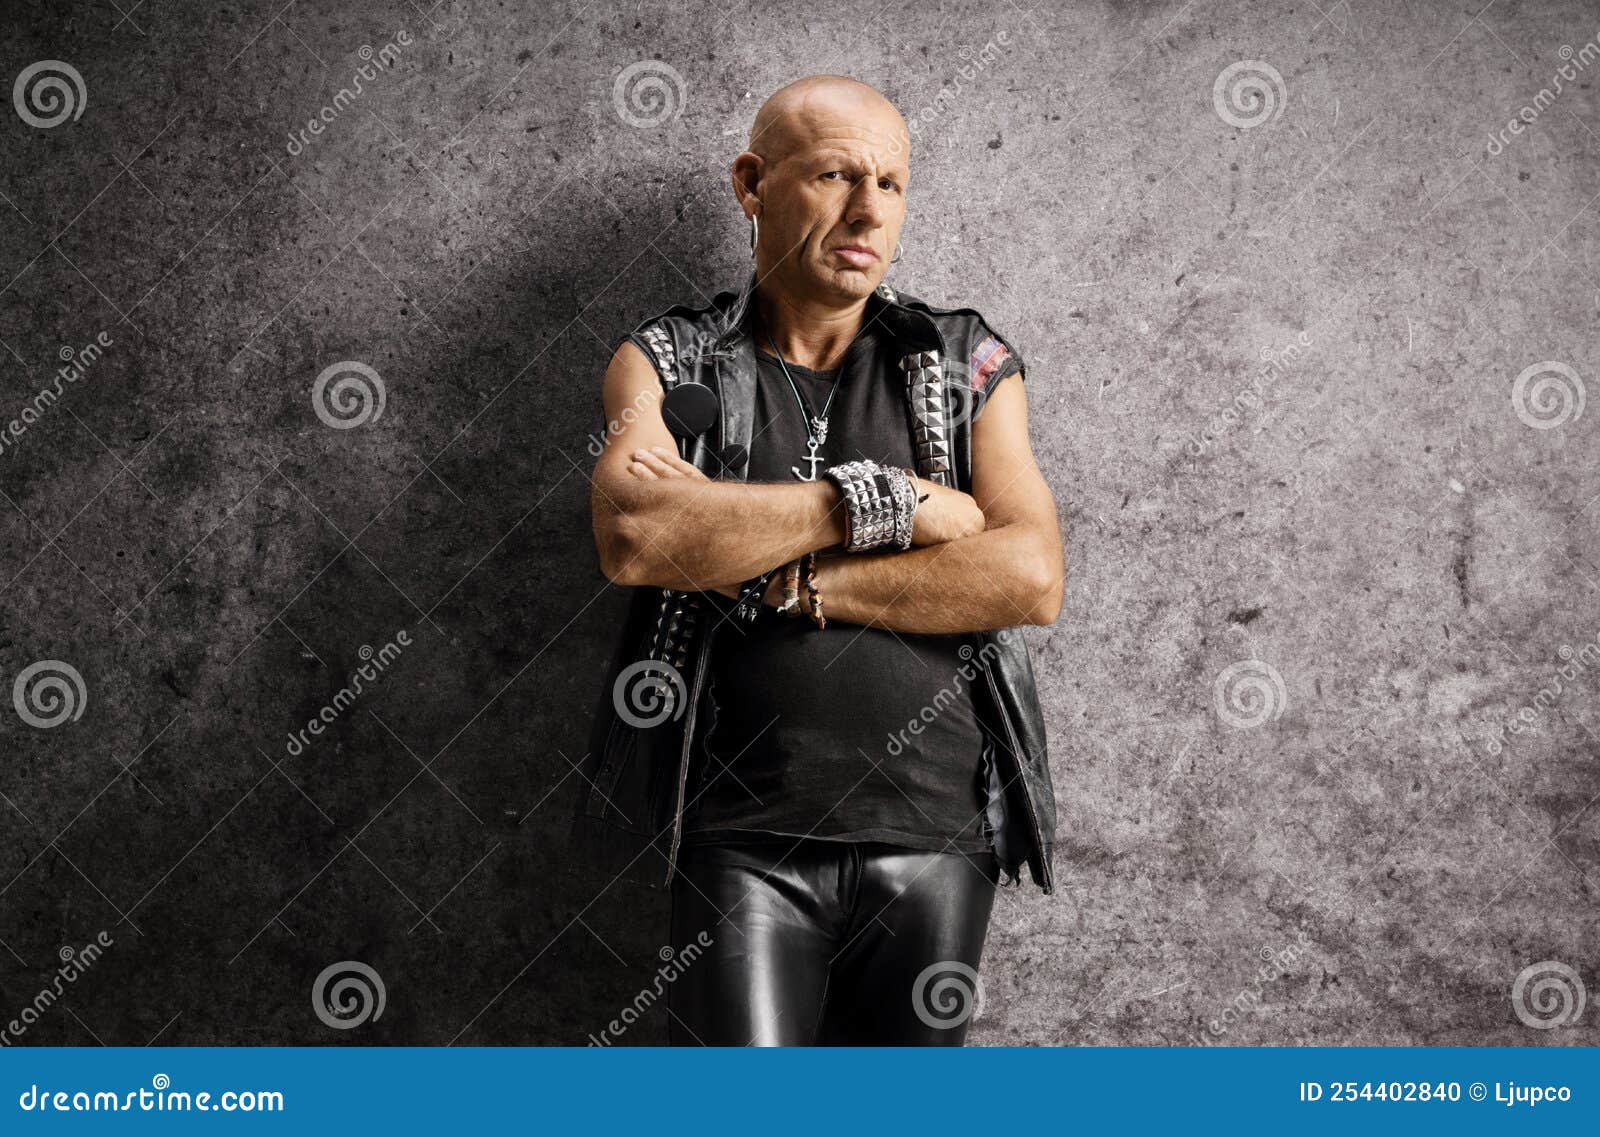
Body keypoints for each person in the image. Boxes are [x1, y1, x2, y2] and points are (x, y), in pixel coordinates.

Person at [575, 74, 1065, 1046]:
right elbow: (638, 536)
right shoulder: (668, 362)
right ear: (753, 183)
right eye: (838, 173)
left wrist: (790, 579)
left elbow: (1026, 575)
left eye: (891, 182)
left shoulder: (962, 360)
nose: (869, 208)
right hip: (739, 835)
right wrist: (884, 501)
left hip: (935, 836)